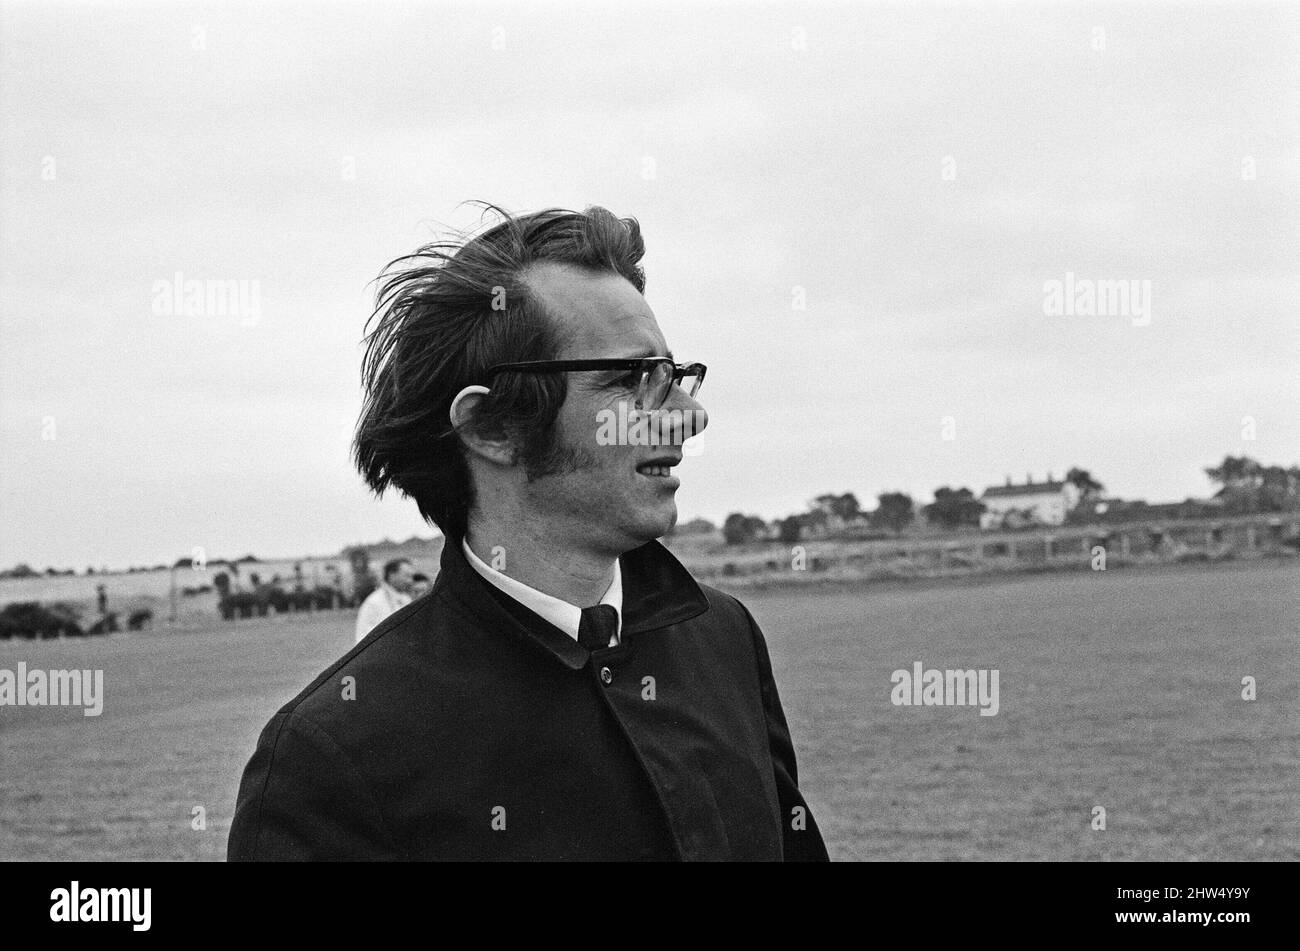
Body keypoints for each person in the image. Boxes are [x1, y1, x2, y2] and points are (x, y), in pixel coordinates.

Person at [229, 205, 828, 861]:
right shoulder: (333, 756)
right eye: (630, 380)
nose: (688, 416)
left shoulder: (724, 639)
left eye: (674, 377)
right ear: (491, 427)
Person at [352, 558, 414, 641]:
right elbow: (362, 638)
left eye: (411, 576)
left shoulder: (406, 599)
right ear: (392, 575)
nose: (410, 581)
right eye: (406, 576)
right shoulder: (374, 601)